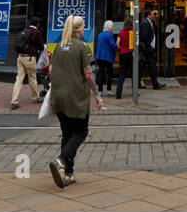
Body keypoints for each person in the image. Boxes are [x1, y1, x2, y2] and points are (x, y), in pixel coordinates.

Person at [47, 15, 103, 188]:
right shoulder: (82, 47)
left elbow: (50, 69)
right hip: (75, 98)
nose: (84, 28)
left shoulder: (59, 46)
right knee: (81, 131)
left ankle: (67, 173)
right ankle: (61, 160)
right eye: (84, 26)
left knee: (67, 133)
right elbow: (88, 75)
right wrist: (97, 95)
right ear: (79, 29)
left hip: (59, 97)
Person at [10, 17, 46, 108]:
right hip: (29, 58)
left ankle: (14, 101)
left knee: (19, 79)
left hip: (20, 57)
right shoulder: (36, 32)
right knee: (32, 78)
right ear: (37, 24)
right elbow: (41, 47)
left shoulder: (24, 31)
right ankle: (36, 97)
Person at [139, 6, 164, 90]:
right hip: (147, 49)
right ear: (149, 15)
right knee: (152, 66)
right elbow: (143, 37)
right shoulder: (146, 23)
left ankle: (138, 83)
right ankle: (155, 84)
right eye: (153, 14)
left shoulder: (149, 22)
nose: (154, 16)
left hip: (147, 49)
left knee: (142, 66)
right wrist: (149, 47)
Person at [114, 16, 135, 100]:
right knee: (133, 74)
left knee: (122, 74)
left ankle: (118, 94)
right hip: (131, 54)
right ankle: (135, 92)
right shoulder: (132, 32)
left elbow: (117, 44)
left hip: (123, 54)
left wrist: (120, 49)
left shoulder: (121, 32)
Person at [95, 20, 117, 96]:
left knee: (101, 74)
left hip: (99, 56)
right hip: (107, 57)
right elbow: (113, 45)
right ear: (109, 27)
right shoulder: (109, 35)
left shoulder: (100, 35)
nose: (113, 28)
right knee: (110, 73)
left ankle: (100, 91)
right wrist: (118, 45)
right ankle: (108, 90)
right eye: (112, 26)